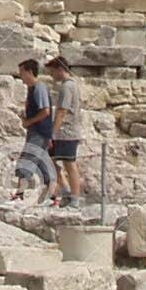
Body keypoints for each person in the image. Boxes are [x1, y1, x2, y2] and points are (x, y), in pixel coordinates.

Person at [10, 59, 57, 203]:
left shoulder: (39, 88)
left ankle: (19, 194)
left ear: (30, 72)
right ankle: (54, 197)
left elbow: (45, 111)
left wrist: (29, 122)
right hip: (38, 132)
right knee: (43, 164)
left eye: (22, 73)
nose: (21, 76)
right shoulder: (33, 89)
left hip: (39, 132)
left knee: (27, 160)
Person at [46, 56, 84, 208]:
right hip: (65, 132)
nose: (52, 75)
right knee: (51, 160)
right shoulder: (70, 85)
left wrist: (52, 133)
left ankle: (74, 198)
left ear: (60, 69)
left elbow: (62, 111)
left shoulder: (67, 87)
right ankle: (66, 191)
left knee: (69, 163)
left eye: (53, 71)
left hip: (66, 132)